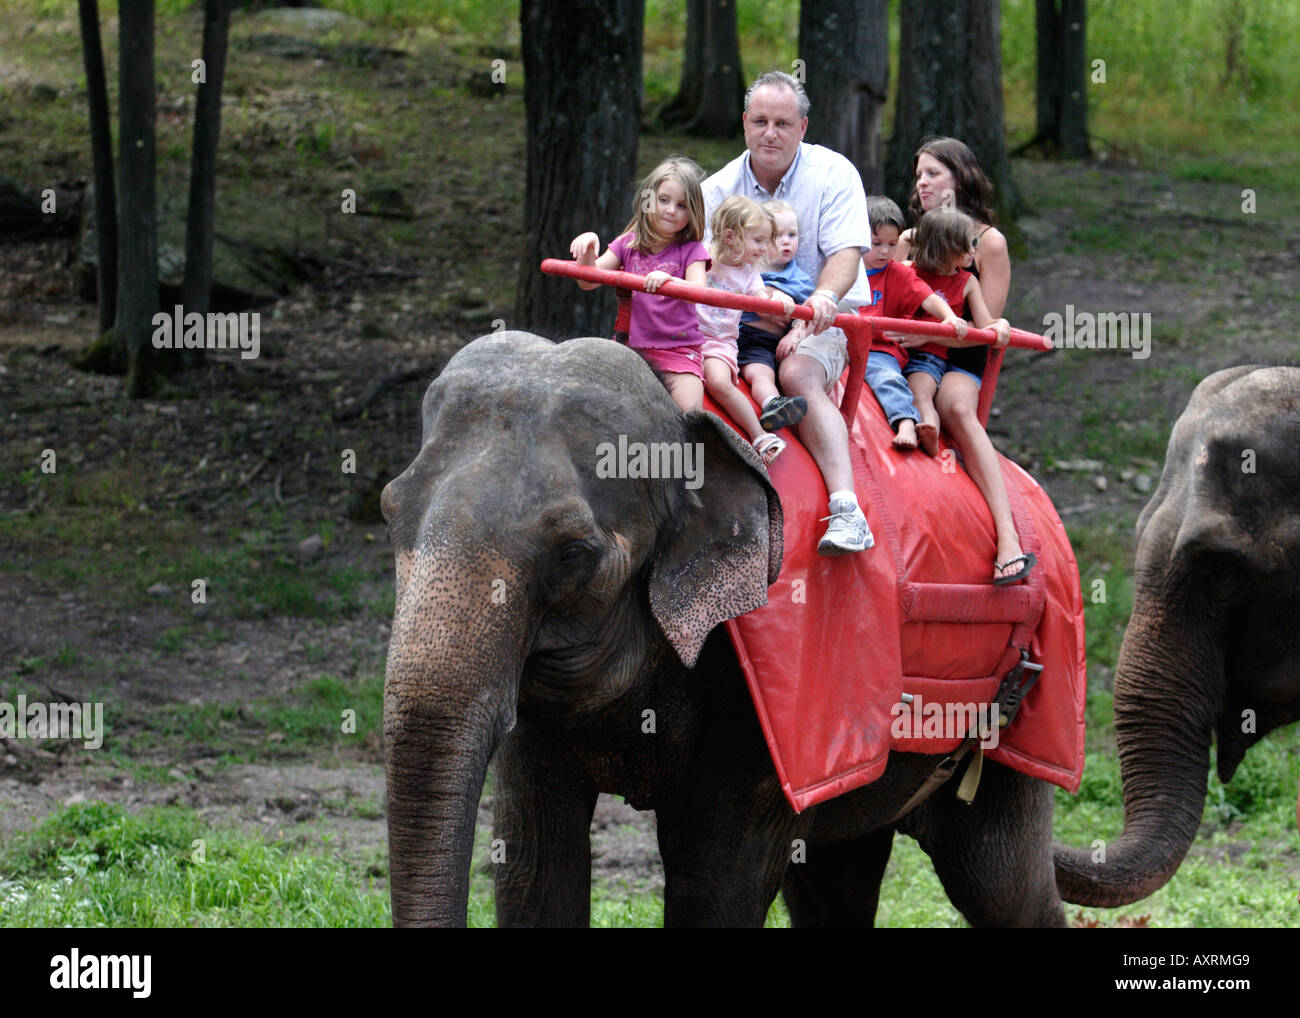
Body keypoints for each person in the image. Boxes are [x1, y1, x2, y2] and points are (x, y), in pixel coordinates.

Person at [703, 71, 874, 555]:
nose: (770, 133)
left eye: (782, 122)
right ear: (744, 124)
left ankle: (847, 510)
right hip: (732, 323)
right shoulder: (717, 188)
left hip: (820, 321)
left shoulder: (834, 173)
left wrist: (818, 302)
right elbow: (684, 251)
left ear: (802, 126)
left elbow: (845, 254)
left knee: (798, 372)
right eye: (760, 121)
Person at [899, 208, 1032, 586]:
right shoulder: (908, 262)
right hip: (899, 352)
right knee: (909, 387)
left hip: (941, 354)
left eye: (934, 173)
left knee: (939, 396)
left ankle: (1007, 532)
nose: (924, 182)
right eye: (920, 173)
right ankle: (915, 429)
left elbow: (982, 326)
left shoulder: (971, 274)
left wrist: (998, 326)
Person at [568, 156, 711, 415]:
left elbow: (698, 293)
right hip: (630, 350)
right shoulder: (628, 244)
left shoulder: (692, 251)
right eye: (663, 200)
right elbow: (588, 281)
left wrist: (672, 282)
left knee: (690, 417)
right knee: (590, 408)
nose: (670, 210)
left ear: (693, 213)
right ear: (648, 200)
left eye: (681, 206)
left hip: (678, 353)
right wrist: (588, 248)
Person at [859, 196, 969, 452]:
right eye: (876, 244)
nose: (885, 251)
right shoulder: (844, 268)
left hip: (878, 348)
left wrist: (949, 317)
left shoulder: (898, 273)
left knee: (887, 377)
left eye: (892, 244)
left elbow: (928, 297)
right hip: (840, 343)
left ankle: (906, 422)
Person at [696, 196, 794, 465]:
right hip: (684, 335)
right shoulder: (701, 257)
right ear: (730, 236)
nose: (764, 248)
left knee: (717, 381)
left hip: (718, 341)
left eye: (766, 241)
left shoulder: (750, 274)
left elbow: (763, 300)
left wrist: (778, 300)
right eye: (758, 240)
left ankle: (759, 435)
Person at [736, 199, 811, 434]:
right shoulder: (746, 267)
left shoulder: (801, 280)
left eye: (792, 234)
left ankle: (773, 404)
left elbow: (807, 312)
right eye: (778, 235)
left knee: (760, 372)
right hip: (733, 331)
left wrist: (795, 335)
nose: (786, 241)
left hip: (763, 343)